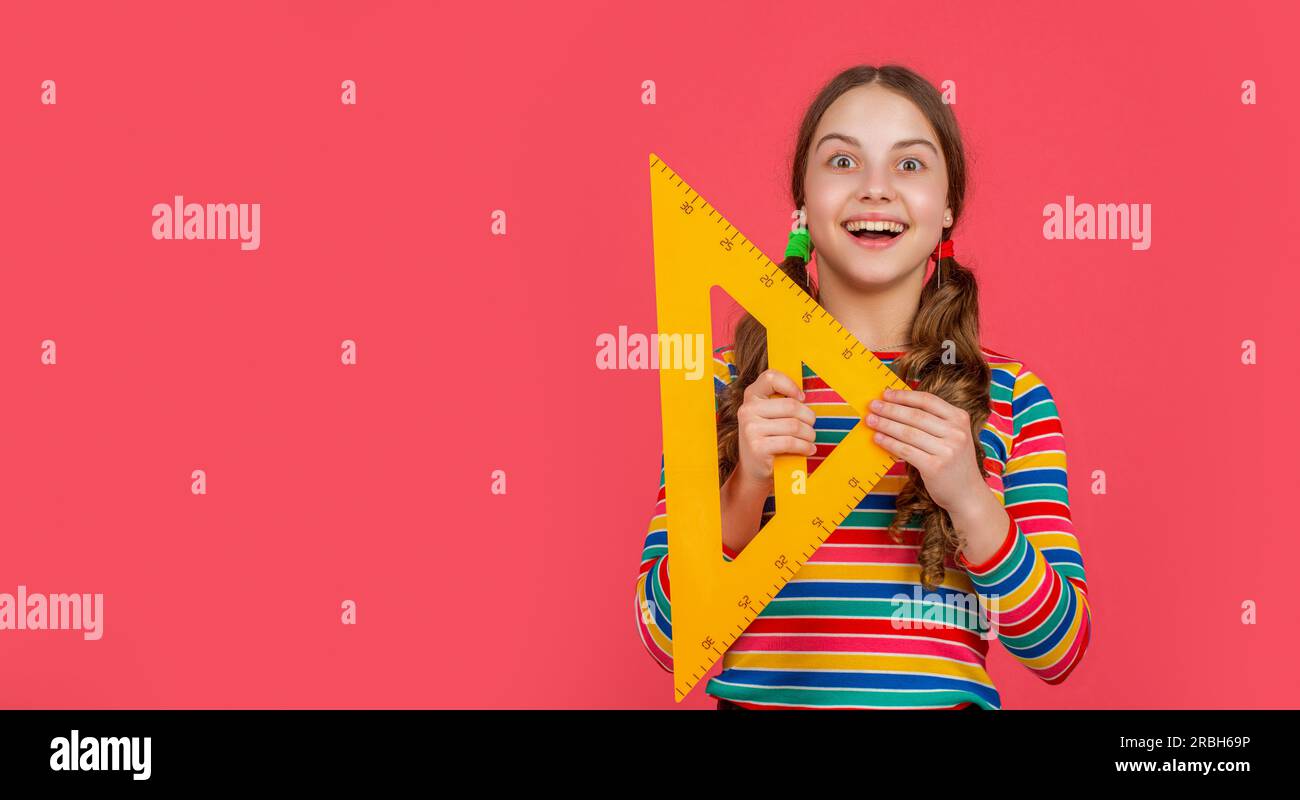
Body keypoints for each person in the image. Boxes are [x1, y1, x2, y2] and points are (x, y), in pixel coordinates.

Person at [634, 64, 1092, 710]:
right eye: (842, 162)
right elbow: (662, 635)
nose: (875, 190)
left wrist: (968, 496)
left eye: (910, 166)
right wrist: (746, 488)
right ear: (802, 200)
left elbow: (1060, 647)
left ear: (949, 205)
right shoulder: (727, 385)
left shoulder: (1009, 395)